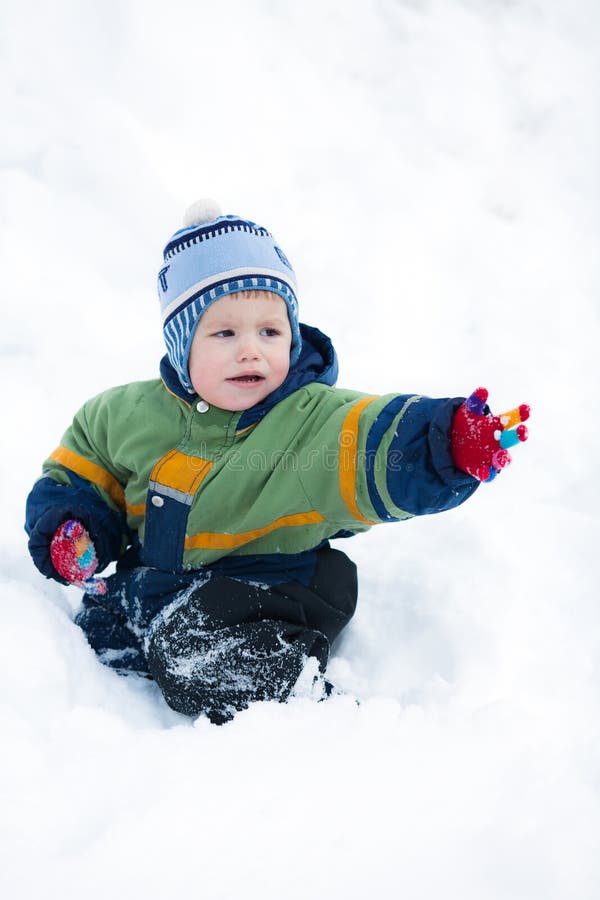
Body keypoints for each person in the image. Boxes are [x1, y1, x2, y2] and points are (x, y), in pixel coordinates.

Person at [25, 200, 530, 724]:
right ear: (181, 346)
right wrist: (74, 526)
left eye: (270, 332)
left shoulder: (307, 417)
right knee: (103, 628)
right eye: (225, 333)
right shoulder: (126, 414)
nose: (252, 351)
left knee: (191, 653)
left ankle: (309, 710)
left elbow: (370, 442)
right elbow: (84, 469)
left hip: (276, 587)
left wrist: (444, 444)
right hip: (161, 583)